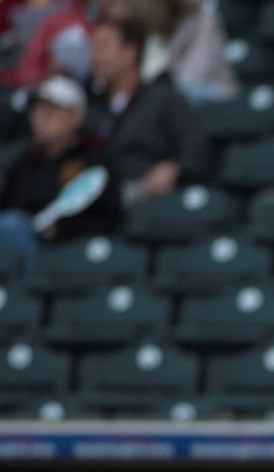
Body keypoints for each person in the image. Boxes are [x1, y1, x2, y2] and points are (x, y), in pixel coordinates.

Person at [0, 73, 121, 273]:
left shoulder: (94, 162)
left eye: (51, 109)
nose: (41, 116)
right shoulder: (23, 163)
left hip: (69, 257)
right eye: (38, 108)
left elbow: (110, 219)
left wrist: (61, 230)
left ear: (76, 116)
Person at [84, 16, 211, 204]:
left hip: (148, 198)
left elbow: (197, 149)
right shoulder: (90, 106)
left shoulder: (164, 99)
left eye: (103, 47)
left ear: (130, 51)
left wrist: (175, 168)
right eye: (93, 48)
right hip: (95, 204)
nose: (95, 57)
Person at [107, 0, 236, 102]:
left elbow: (191, 78)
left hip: (214, 98)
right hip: (175, 99)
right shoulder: (157, 34)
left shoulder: (202, 19)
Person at [2, 0, 91, 88]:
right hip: (50, 86)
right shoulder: (57, 20)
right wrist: (46, 78)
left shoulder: (96, 22)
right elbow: (30, 66)